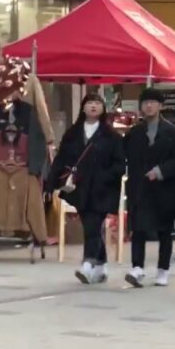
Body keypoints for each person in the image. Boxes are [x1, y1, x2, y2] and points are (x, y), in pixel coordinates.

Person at [46, 93, 126, 285]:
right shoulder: (72, 133)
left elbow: (119, 164)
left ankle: (88, 264)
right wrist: (51, 183)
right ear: (83, 107)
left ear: (103, 108)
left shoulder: (111, 135)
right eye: (89, 103)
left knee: (93, 225)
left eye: (97, 103)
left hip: (102, 189)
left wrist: (105, 176)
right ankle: (101, 265)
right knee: (91, 226)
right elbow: (61, 159)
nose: (93, 106)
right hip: (79, 188)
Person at [123, 88, 175, 288]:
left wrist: (160, 171)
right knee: (138, 229)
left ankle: (163, 269)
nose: (149, 106)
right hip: (139, 187)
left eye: (153, 102)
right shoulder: (134, 132)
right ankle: (137, 267)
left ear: (160, 106)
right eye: (145, 102)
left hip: (164, 188)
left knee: (164, 231)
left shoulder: (173, 132)